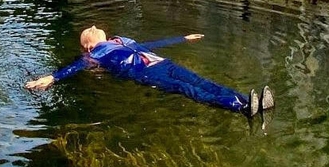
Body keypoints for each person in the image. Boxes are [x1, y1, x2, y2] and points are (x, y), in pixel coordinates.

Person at [25, 26, 275, 118]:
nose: (93, 26)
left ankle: (247, 99)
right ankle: (240, 108)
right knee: (188, 89)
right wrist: (52, 77)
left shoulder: (120, 40)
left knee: (201, 81)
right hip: (147, 73)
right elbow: (76, 67)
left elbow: (149, 46)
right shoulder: (95, 53)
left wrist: (182, 38)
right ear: (89, 44)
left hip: (161, 62)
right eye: (90, 31)